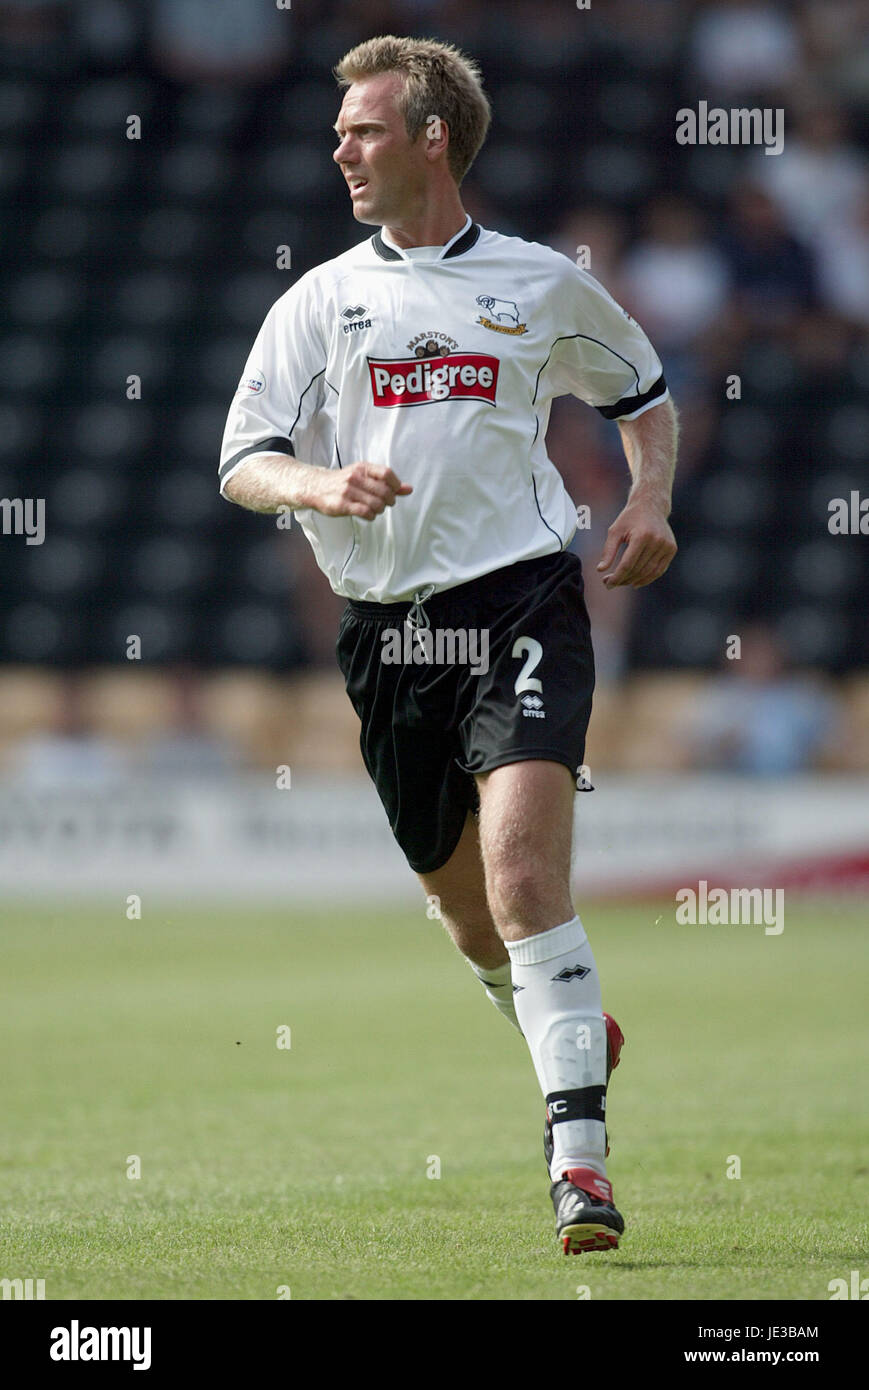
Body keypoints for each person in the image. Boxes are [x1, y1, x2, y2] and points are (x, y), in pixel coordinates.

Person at [218, 35, 678, 1254]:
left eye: (362, 129)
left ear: (432, 137)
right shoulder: (316, 298)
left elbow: (639, 392)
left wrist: (647, 501)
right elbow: (241, 460)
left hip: (518, 602)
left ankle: (576, 1161)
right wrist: (313, 485)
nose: (341, 149)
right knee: (474, 923)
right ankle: (567, 1023)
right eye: (337, 133)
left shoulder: (538, 283)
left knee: (528, 881)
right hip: (385, 638)